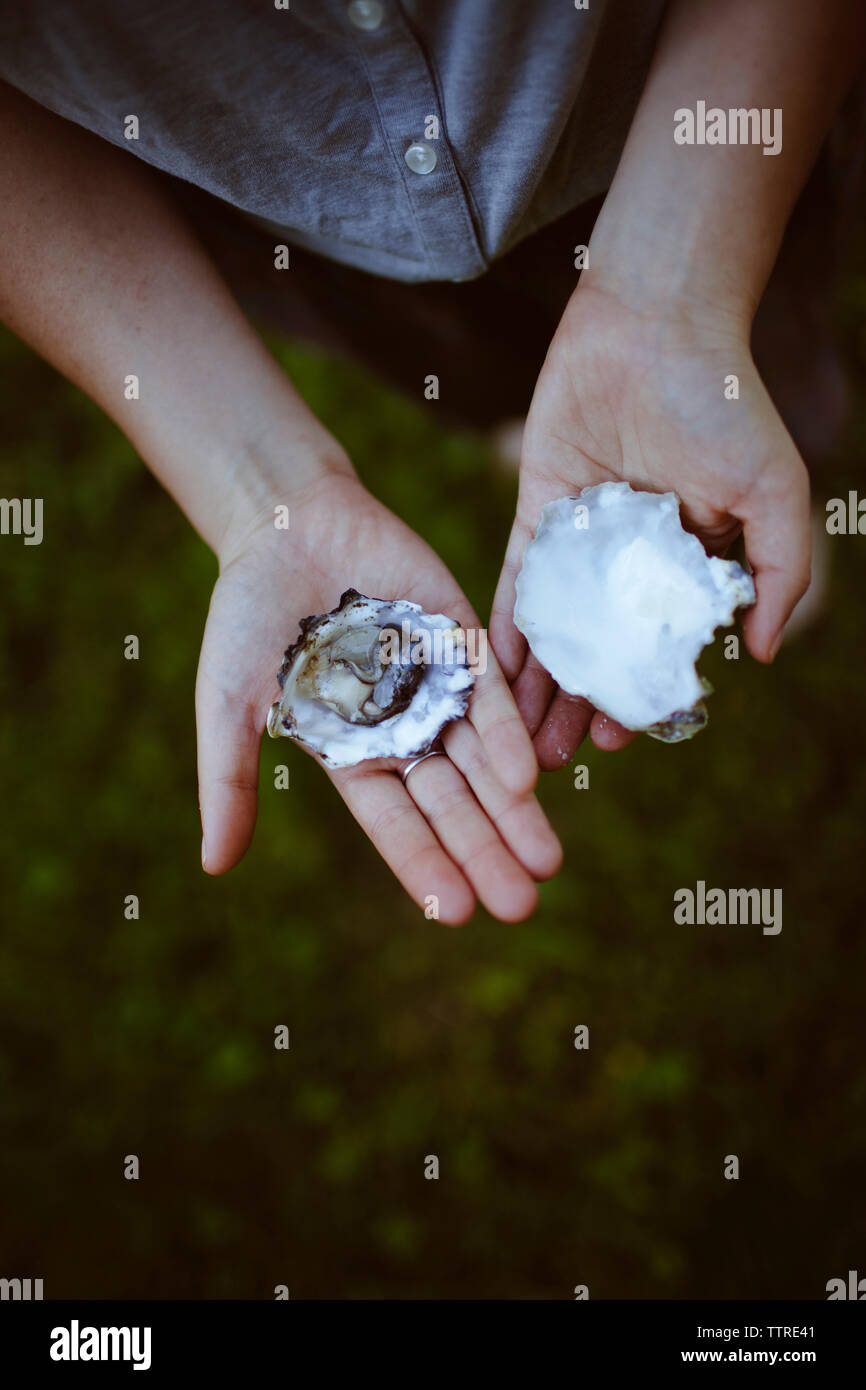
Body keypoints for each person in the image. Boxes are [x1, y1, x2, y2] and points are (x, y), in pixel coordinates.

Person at [0, 0, 863, 924]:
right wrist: (256, 489)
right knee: (465, 366)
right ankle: (527, 416)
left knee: (747, 367)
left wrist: (681, 296)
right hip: (326, 228)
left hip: (687, 148)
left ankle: (709, 489)